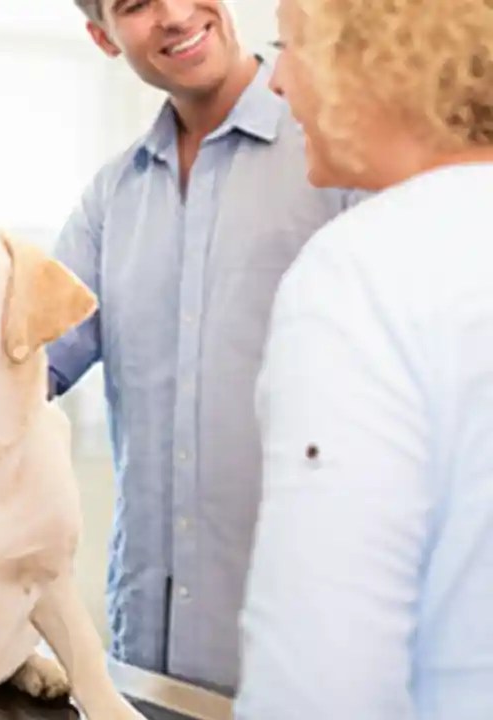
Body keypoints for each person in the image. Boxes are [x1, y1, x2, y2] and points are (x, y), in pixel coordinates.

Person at [47, 0, 360, 696]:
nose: (175, 14)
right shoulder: (112, 197)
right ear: (103, 37)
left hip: (302, 656)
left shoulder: (339, 149)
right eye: (135, 5)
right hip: (144, 660)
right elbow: (28, 359)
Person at [234, 0, 493, 717]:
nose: (277, 81)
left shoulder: (367, 268)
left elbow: (320, 681)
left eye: (289, 46)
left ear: (375, 58)